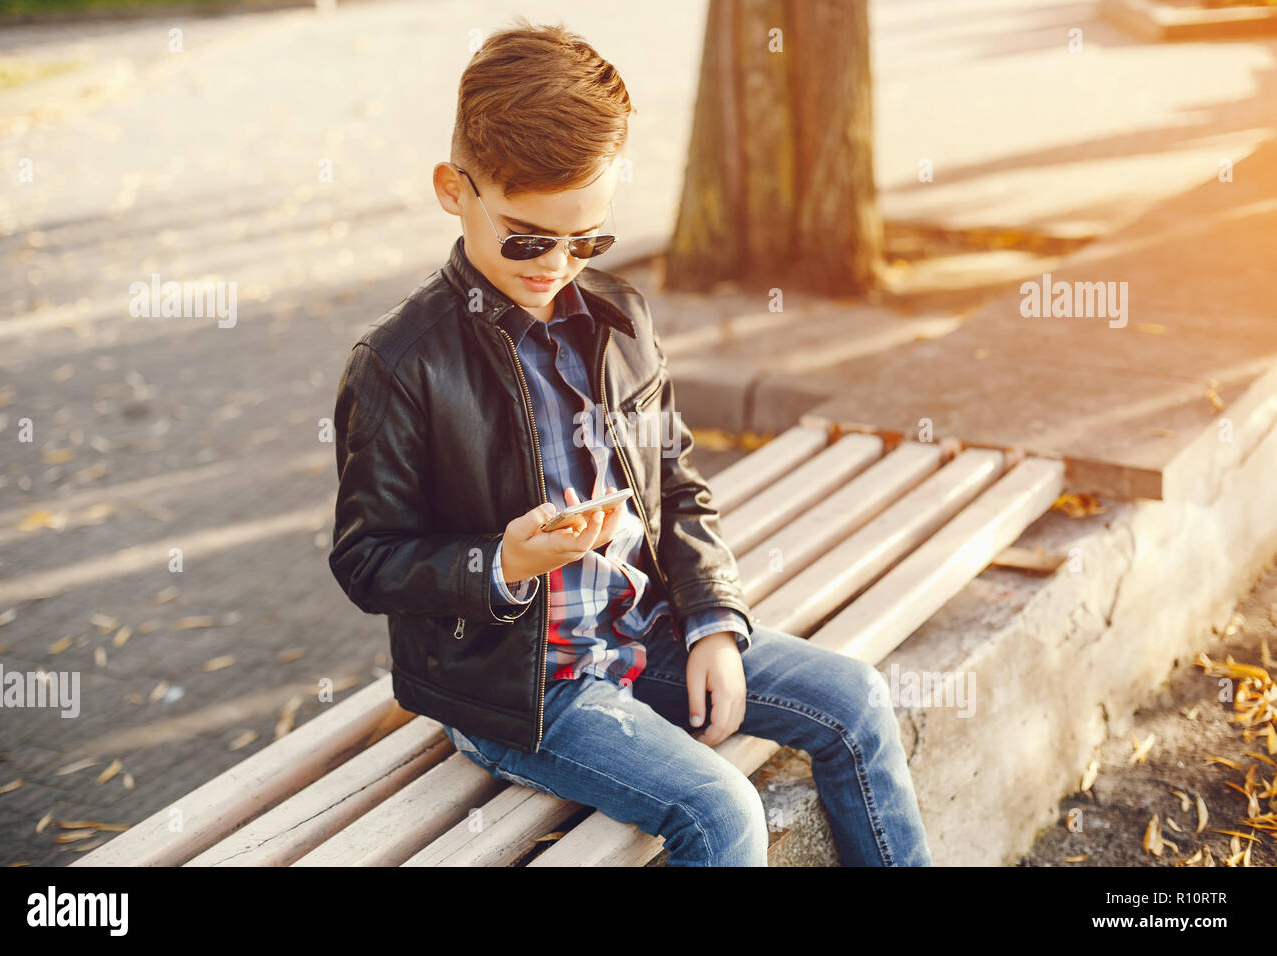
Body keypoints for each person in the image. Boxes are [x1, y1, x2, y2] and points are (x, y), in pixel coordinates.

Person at [328, 16, 932, 867]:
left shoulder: (618, 319)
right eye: (527, 236)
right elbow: (366, 560)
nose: (556, 265)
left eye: (589, 239)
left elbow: (678, 483)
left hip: (642, 631)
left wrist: (715, 621)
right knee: (723, 811)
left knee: (858, 699)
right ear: (451, 188)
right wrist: (501, 562)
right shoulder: (402, 363)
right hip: (520, 690)